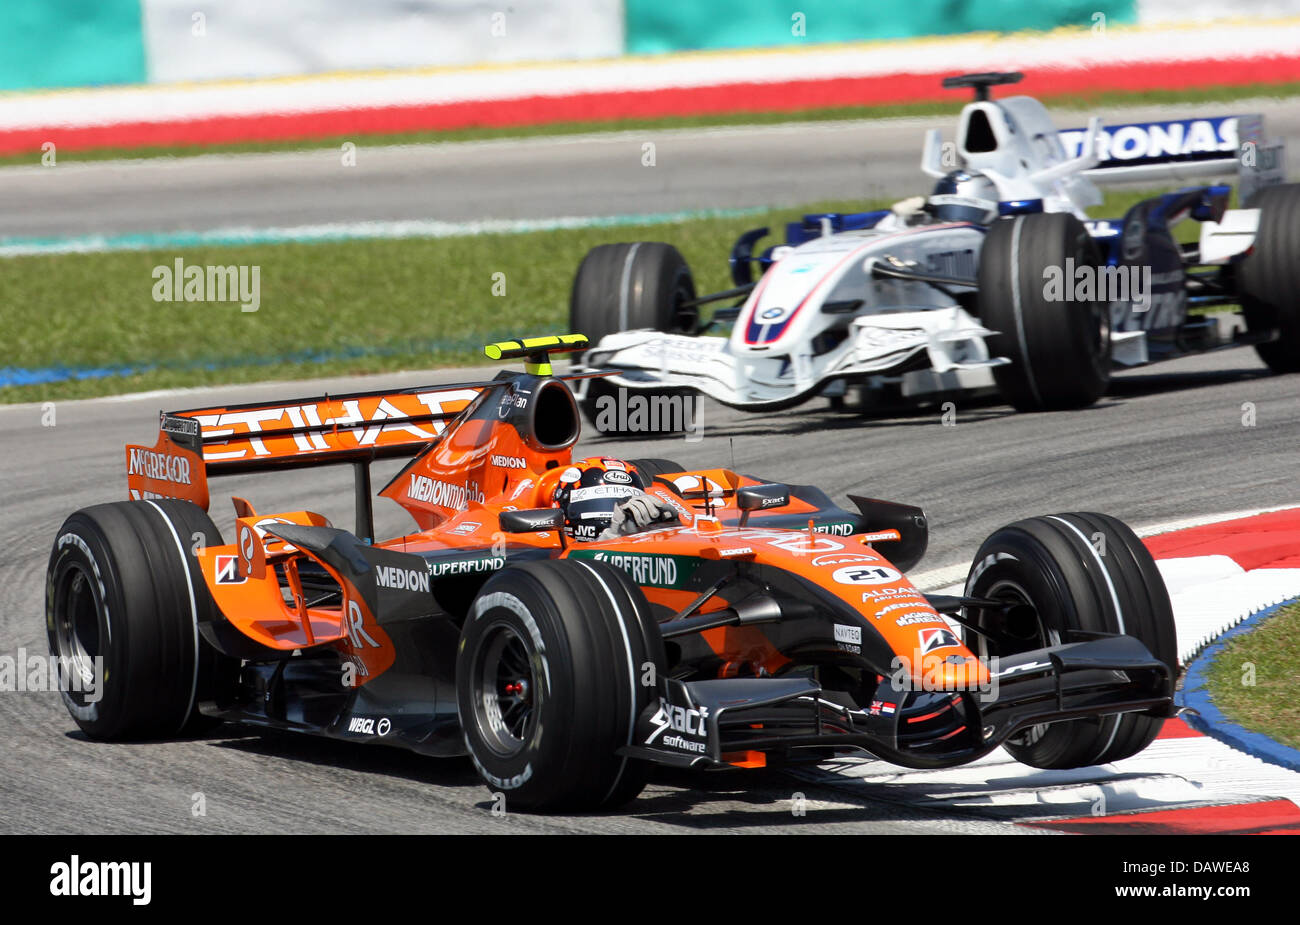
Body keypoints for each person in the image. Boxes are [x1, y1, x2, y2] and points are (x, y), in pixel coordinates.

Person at [554, 457, 682, 541]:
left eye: (621, 505)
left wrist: (671, 529)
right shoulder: (545, 550)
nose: (618, 517)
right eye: (598, 505)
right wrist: (612, 536)